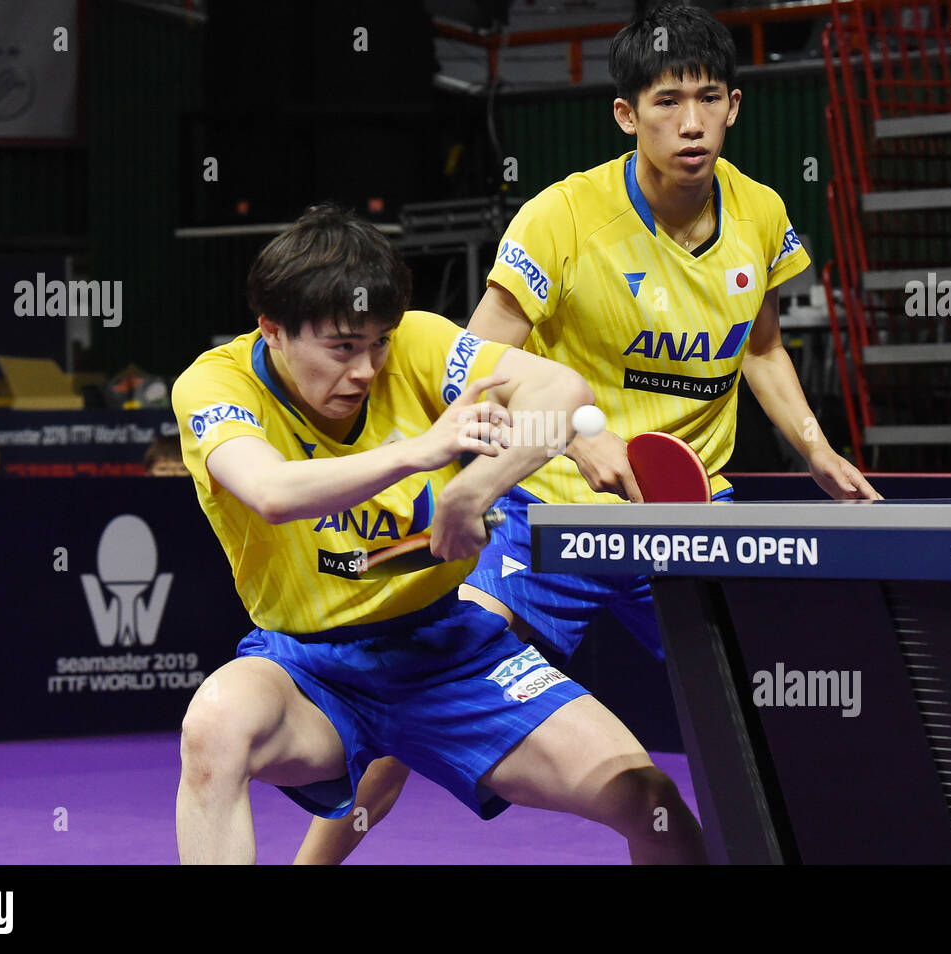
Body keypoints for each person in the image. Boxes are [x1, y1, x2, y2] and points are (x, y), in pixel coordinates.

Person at [295, 0, 883, 864]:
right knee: (421, 691)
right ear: (626, 114)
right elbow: (474, 365)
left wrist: (816, 447)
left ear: (735, 106)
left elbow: (760, 345)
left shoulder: (758, 214)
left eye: (708, 98)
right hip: (550, 518)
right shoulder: (562, 218)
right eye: (666, 102)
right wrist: (572, 434)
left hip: (687, 522)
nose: (691, 123)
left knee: (774, 708)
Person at [172, 204, 707, 864]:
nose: (367, 369)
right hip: (310, 668)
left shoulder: (421, 343)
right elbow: (271, 492)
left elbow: (563, 390)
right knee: (214, 723)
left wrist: (474, 488)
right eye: (342, 347)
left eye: (378, 343)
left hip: (449, 651)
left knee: (650, 802)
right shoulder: (215, 384)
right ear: (274, 331)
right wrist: (420, 451)